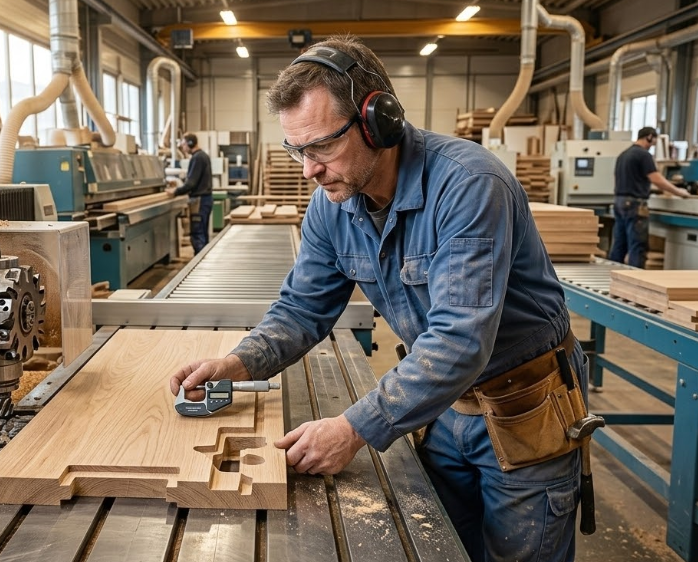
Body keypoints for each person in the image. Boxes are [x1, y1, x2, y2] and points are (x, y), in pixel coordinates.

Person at [168, 36, 591, 562]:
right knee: (445, 548)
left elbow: (459, 341)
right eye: (297, 150)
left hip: (526, 410)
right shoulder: (333, 204)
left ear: (378, 122)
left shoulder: (468, 185)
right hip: (439, 410)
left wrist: (352, 428)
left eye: (321, 146)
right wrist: (237, 362)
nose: (309, 170)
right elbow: (303, 308)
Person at [610, 126, 689, 267]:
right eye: (654, 141)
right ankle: (635, 281)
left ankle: (611, 276)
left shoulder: (624, 154)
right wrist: (679, 192)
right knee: (637, 245)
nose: (653, 145)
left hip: (619, 201)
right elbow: (656, 179)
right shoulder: (643, 155)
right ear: (649, 137)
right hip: (635, 204)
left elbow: (617, 178)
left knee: (619, 245)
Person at [167, 133, 213, 254]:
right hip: (205, 200)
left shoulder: (197, 158)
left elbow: (191, 183)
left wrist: (175, 191)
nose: (183, 148)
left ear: (190, 143)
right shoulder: (203, 156)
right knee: (202, 234)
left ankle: (200, 267)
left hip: (199, 201)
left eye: (183, 144)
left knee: (198, 235)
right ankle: (204, 263)